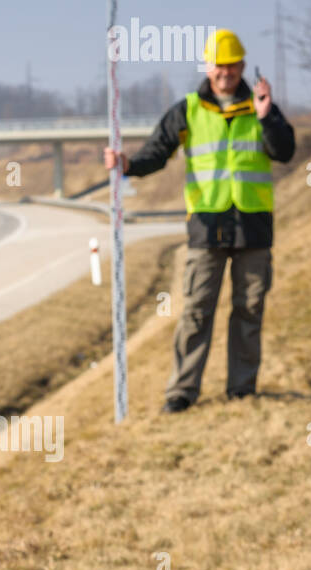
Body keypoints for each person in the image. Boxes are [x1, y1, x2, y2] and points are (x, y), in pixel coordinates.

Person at [104, 29, 295, 414]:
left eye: (231, 65)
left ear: (242, 66)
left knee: (249, 309)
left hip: (253, 227)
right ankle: (182, 391)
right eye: (218, 65)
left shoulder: (261, 108)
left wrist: (267, 115)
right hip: (206, 229)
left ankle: (242, 388)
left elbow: (285, 151)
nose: (224, 72)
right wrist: (126, 165)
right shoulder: (187, 110)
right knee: (196, 311)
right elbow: (157, 153)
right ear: (208, 68)